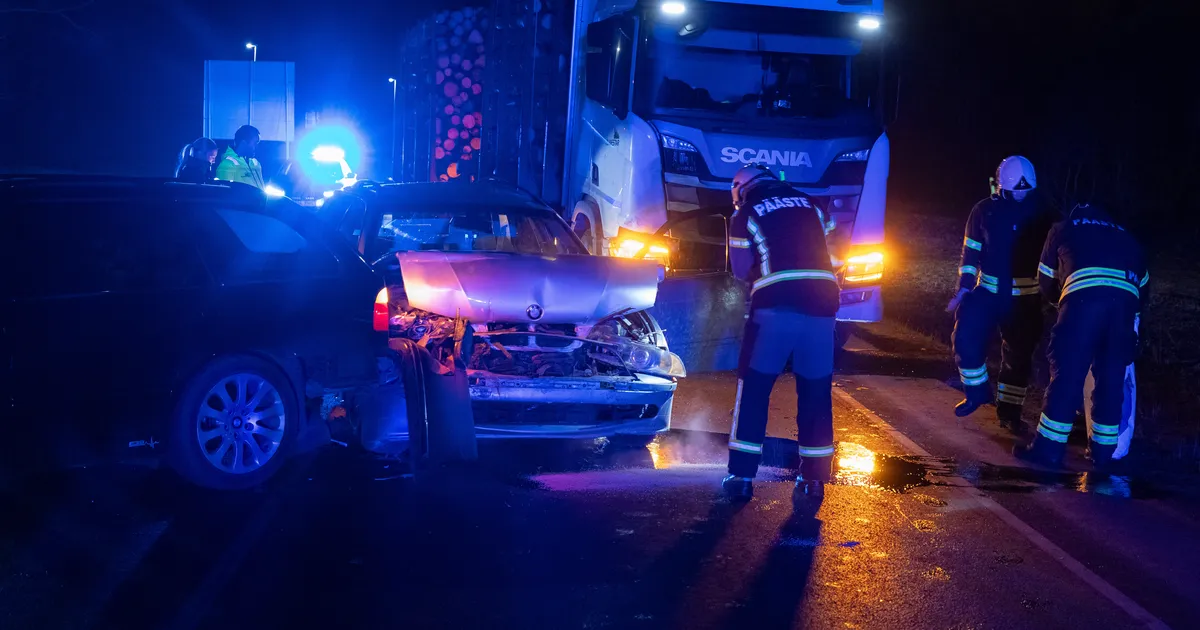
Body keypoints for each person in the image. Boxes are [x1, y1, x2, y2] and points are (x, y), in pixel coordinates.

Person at [721, 163, 840, 502]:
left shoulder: (745, 213)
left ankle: (741, 476)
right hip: (822, 306)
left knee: (755, 389)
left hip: (775, 308)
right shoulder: (811, 203)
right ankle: (814, 479)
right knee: (816, 391)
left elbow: (740, 269)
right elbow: (837, 247)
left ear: (740, 188)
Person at [1014, 202, 1147, 469]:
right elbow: (1143, 291)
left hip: (1083, 304)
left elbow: (1046, 279)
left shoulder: (1063, 228)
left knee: (1068, 374)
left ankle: (1048, 451)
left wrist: (1061, 302)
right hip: (1124, 307)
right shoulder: (1127, 235)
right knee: (1111, 376)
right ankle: (1102, 454)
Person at [947, 156, 1056, 433]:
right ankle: (977, 391)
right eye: (1015, 190)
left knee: (1018, 359)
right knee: (965, 338)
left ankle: (1010, 415)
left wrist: (1055, 294)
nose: (1020, 194)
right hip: (988, 292)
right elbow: (970, 252)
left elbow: (1058, 253)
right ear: (1000, 186)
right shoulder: (983, 211)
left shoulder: (1045, 212)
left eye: (1025, 190)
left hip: (1026, 298)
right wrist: (964, 287)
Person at [215, 125, 265, 189]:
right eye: (255, 143)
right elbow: (225, 195)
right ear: (244, 143)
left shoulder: (255, 163)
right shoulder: (227, 165)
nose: (256, 147)